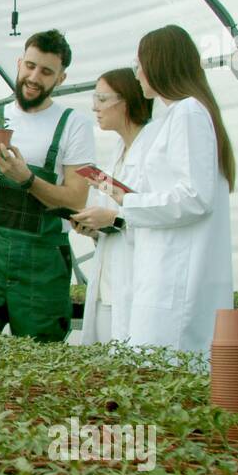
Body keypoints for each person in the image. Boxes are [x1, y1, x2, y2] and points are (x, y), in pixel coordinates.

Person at [71, 24, 235, 355]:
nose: (137, 73)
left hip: (174, 280)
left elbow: (194, 197)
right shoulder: (179, 115)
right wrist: (124, 203)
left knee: (165, 370)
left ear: (159, 64)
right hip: (161, 273)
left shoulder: (187, 112)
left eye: (139, 64)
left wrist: (125, 207)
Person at [0, 29, 95, 341]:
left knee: (42, 359)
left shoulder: (73, 125)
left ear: (61, 78)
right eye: (30, 66)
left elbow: (77, 201)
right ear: (19, 63)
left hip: (42, 260)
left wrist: (26, 179)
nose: (34, 77)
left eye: (46, 71)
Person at [73, 68, 154, 344]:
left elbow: (156, 216)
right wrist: (93, 228)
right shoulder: (117, 151)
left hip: (135, 283)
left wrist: (114, 220)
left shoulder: (153, 151)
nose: (95, 107)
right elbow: (116, 218)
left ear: (126, 100)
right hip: (108, 285)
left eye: (102, 99)